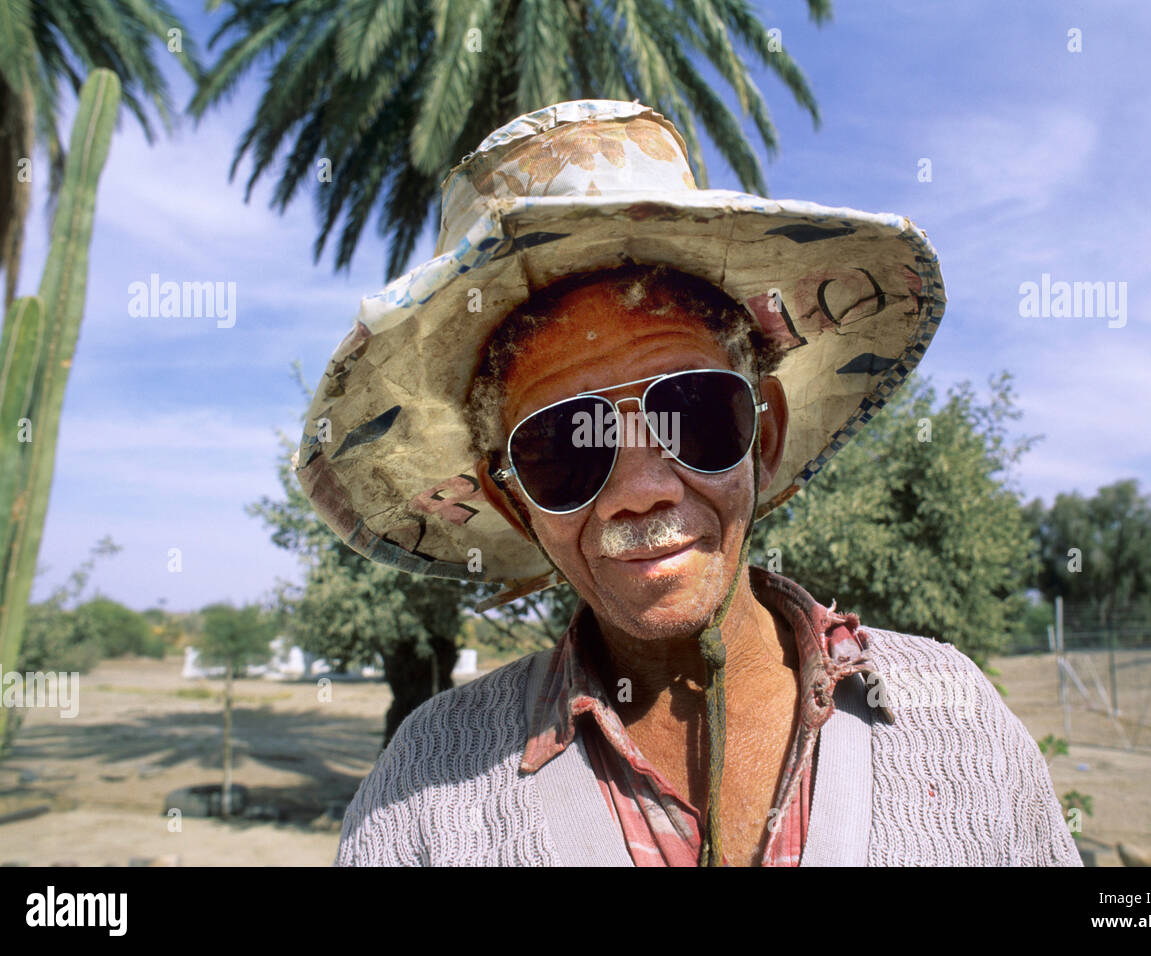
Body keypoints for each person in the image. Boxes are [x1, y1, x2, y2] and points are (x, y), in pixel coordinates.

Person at [295, 99, 1082, 866]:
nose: (642, 487)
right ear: (513, 501)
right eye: (565, 446)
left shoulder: (953, 720)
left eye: (693, 414)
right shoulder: (427, 791)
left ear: (762, 437)